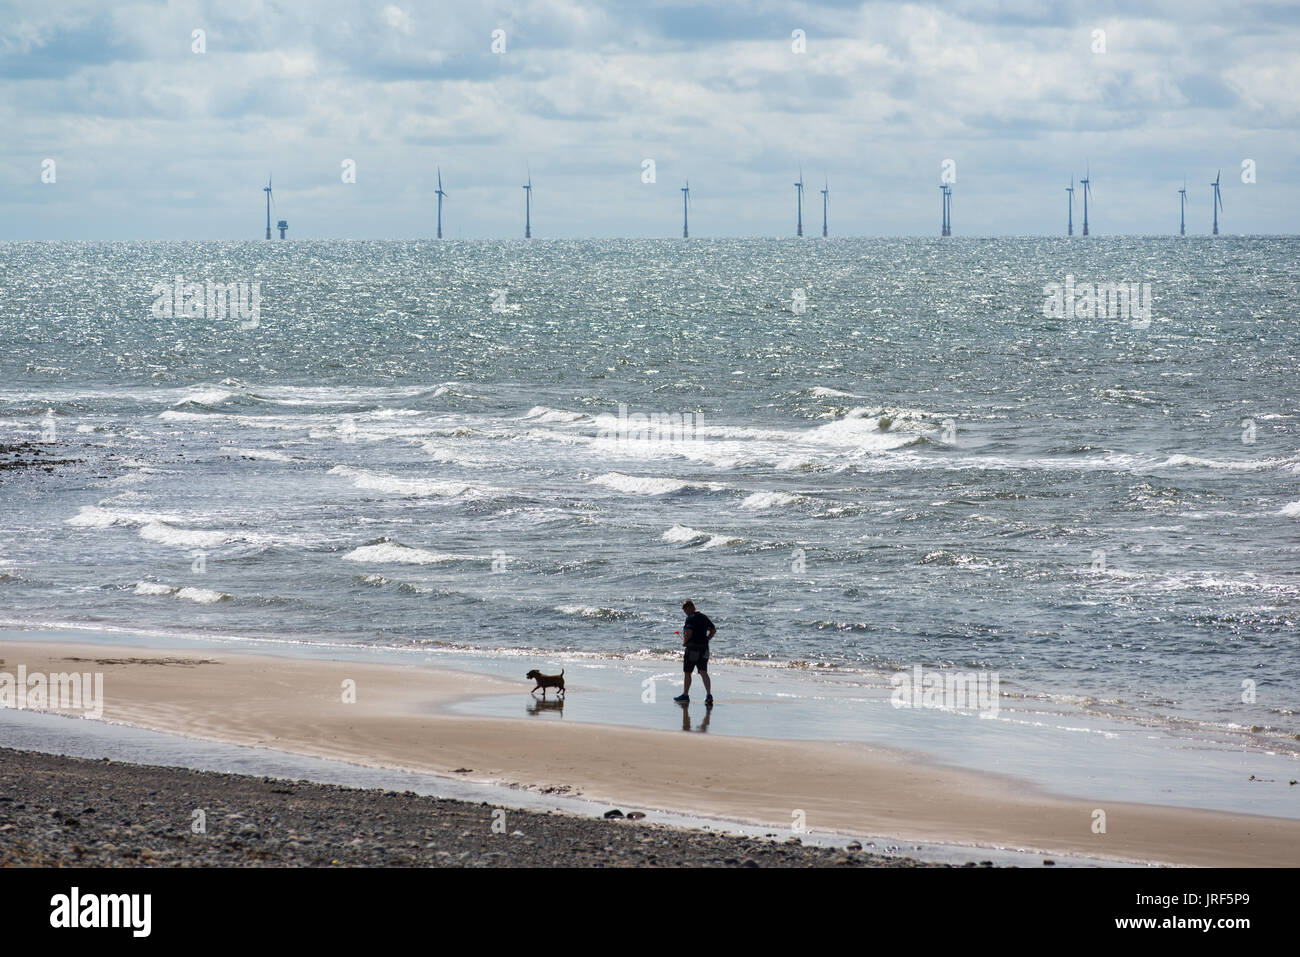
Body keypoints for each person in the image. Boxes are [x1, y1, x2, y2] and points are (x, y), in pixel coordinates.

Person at [674, 600, 716, 706]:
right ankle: (708, 695)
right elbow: (713, 630)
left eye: (686, 610)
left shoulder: (690, 618)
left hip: (693, 648)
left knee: (688, 672)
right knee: (703, 671)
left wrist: (684, 642)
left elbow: (688, 632)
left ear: (691, 607)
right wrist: (707, 639)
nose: (686, 613)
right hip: (704, 648)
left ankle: (685, 695)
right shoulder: (704, 617)